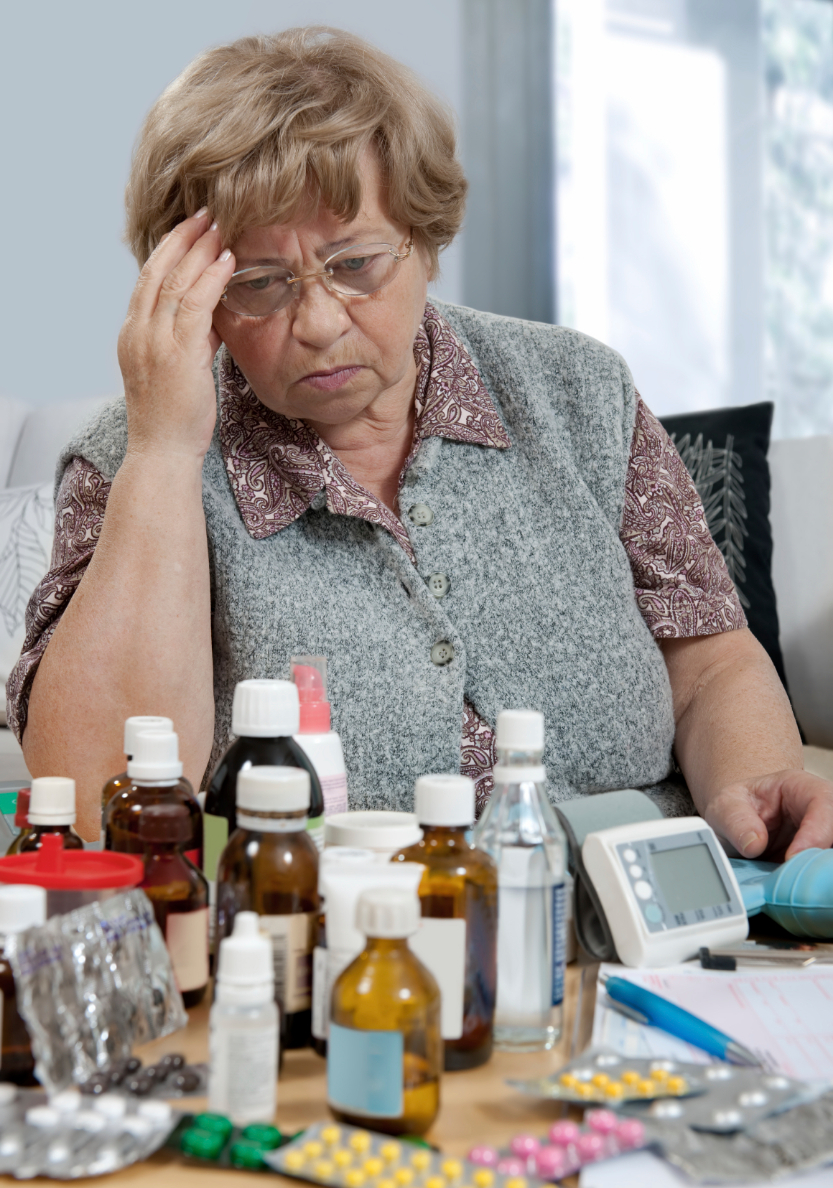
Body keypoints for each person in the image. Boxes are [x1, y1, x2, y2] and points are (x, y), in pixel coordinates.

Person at [7, 27, 832, 856]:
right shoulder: (133, 458)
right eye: (258, 285)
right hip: (340, 940)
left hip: (641, 910)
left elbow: (707, 664)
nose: (321, 322)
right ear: (198, 296)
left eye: (356, 263)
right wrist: (159, 452)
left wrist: (753, 789)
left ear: (425, 240)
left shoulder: (581, 391)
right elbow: (86, 804)